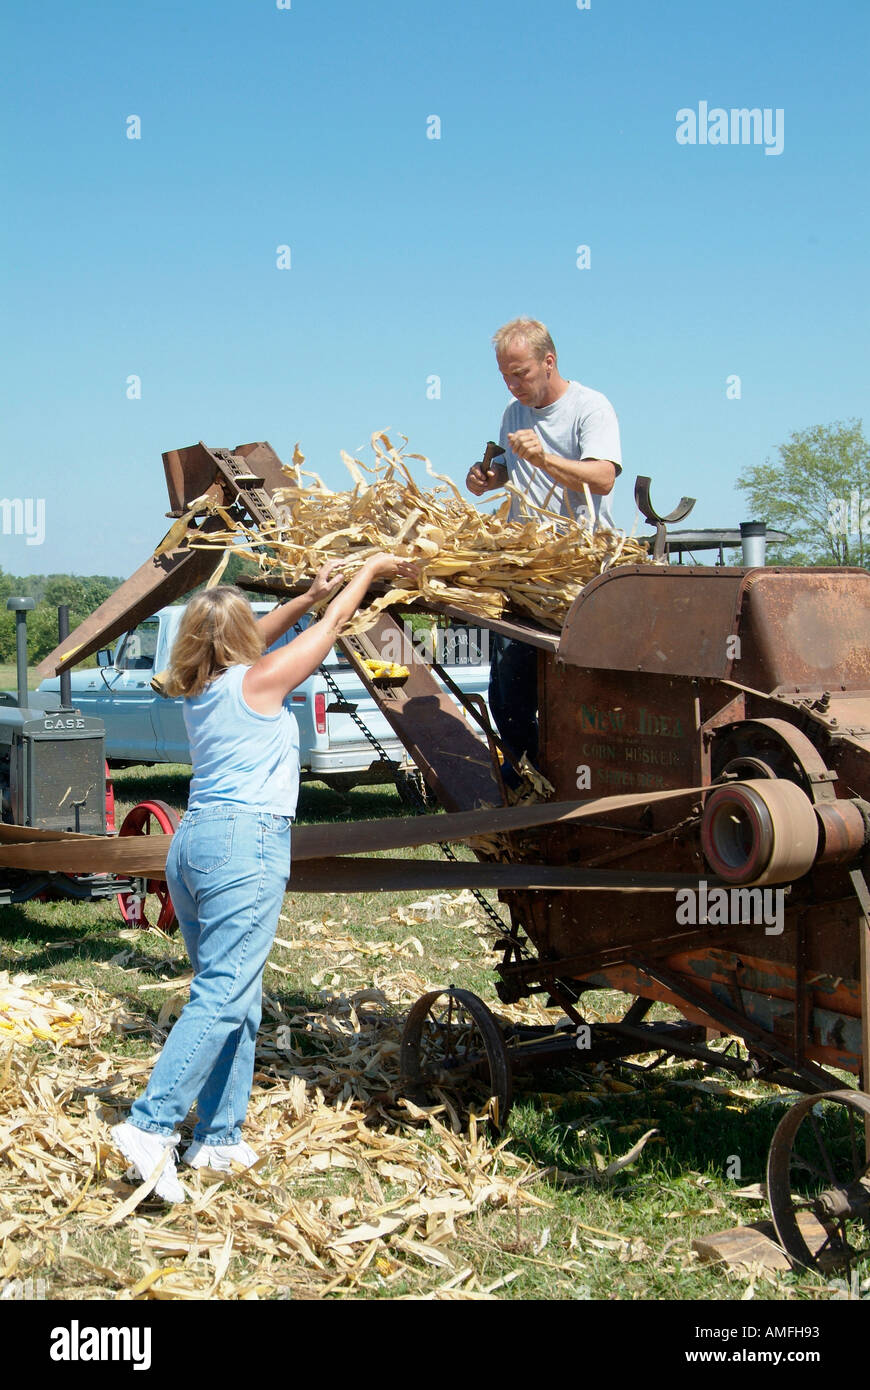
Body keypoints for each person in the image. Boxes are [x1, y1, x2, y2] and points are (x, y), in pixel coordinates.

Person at [112, 553, 414, 1202]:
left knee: (236, 997)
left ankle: (219, 1138)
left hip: (192, 846)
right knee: (223, 993)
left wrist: (306, 592)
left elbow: (267, 632)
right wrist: (370, 572)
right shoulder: (259, 683)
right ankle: (150, 1124)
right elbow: (334, 627)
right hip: (242, 847)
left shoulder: (201, 684)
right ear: (242, 640)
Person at [465, 318, 622, 783]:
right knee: (509, 685)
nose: (513, 386)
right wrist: (487, 478)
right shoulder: (513, 413)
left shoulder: (591, 408)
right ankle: (528, 781)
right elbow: (508, 472)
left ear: (548, 362)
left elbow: (603, 477)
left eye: (521, 374)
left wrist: (545, 458)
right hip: (524, 571)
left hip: (578, 569)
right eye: (505, 376)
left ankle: (584, 776)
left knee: (577, 683)